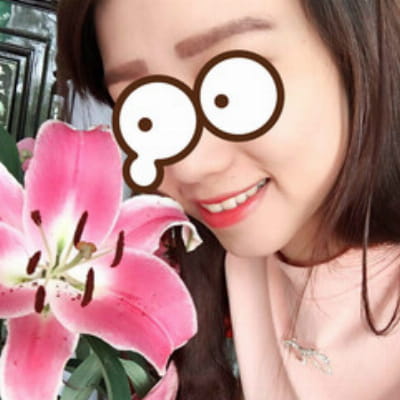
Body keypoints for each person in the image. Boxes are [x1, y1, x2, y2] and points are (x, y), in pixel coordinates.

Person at [56, 0, 400, 399]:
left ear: (357, 49)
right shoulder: (208, 262)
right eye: (145, 110)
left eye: (234, 90)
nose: (189, 167)